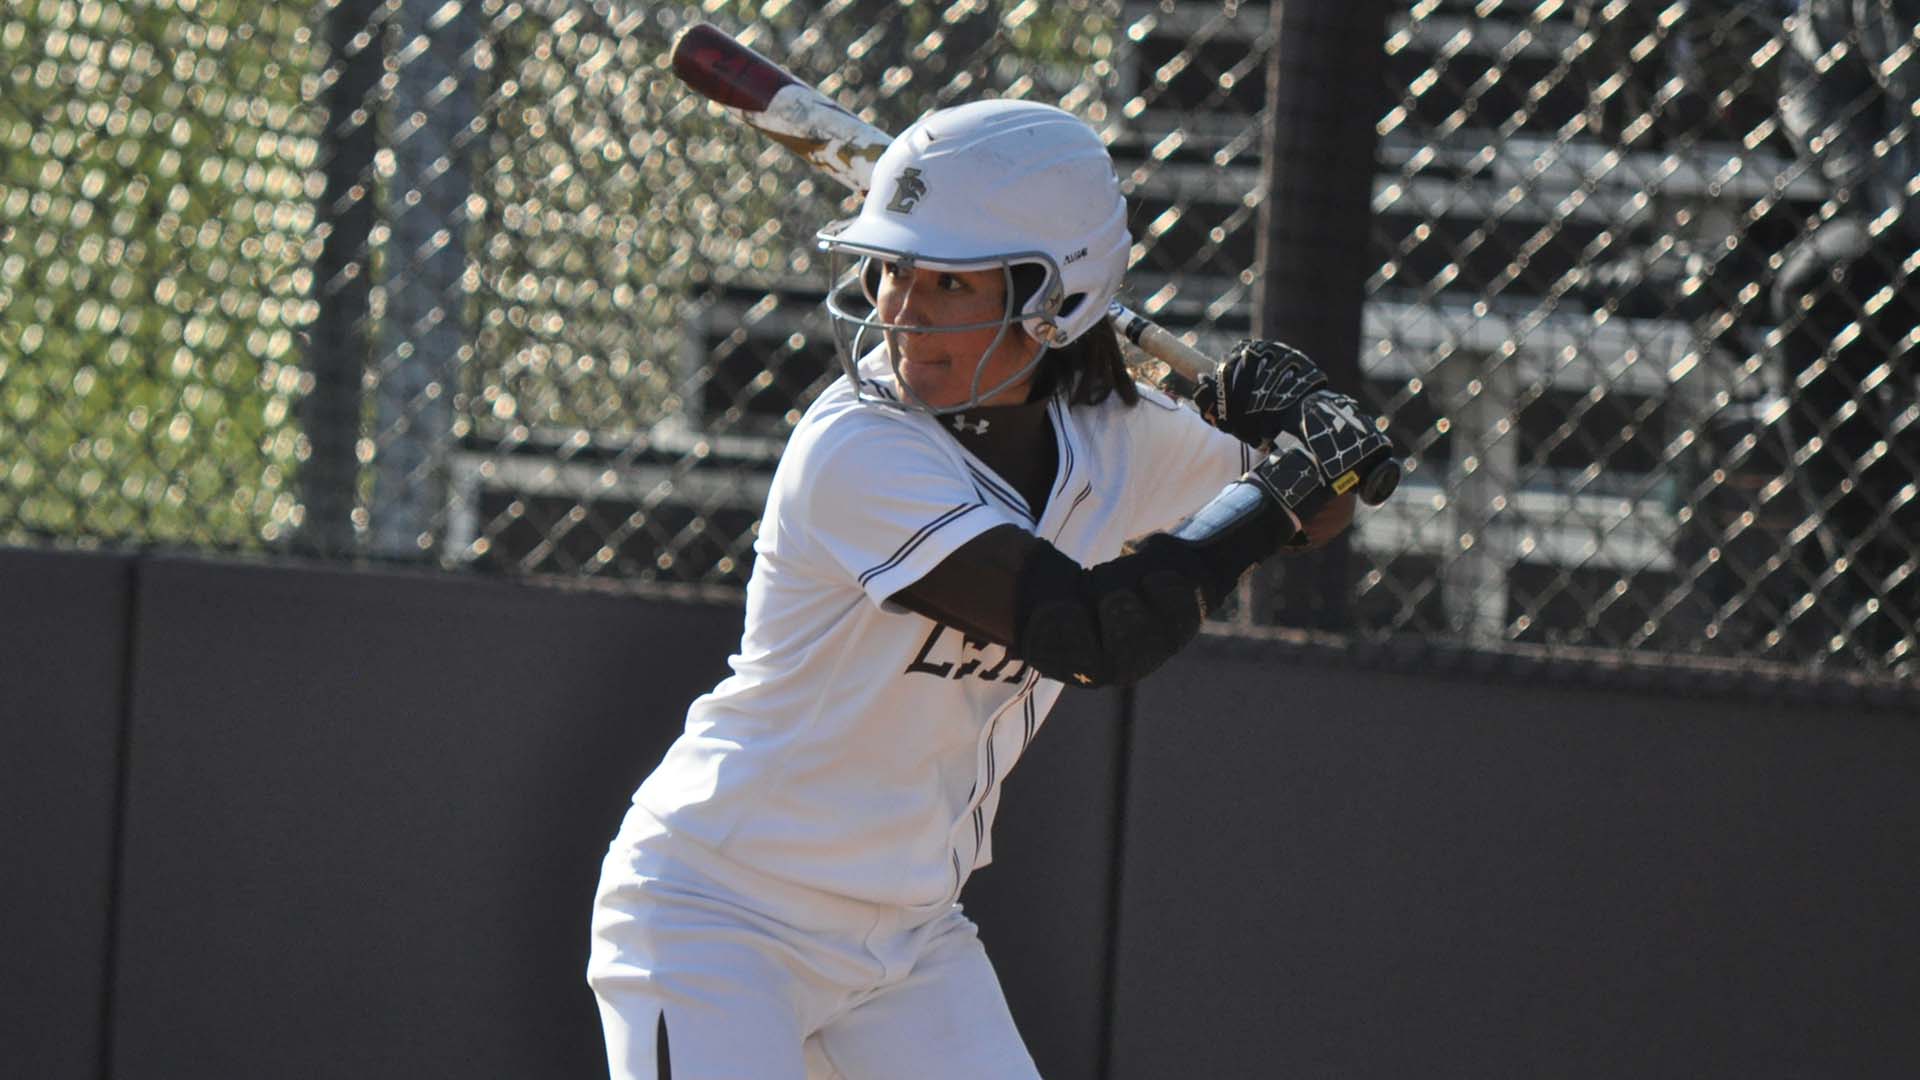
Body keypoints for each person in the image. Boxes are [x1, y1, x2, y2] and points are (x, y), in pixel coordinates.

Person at [587, 99, 1392, 1079]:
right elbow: (1092, 632)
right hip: (718, 915)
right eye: (891, 269)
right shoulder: (859, 445)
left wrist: (1319, 439)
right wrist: (1279, 489)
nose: (900, 311)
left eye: (947, 281)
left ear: (1051, 297)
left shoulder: (1118, 433)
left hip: (909, 940)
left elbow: (1317, 510)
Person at [1768, 0, 1920, 668]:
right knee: (1811, 284)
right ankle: (1875, 596)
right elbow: (1808, 84)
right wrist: (1877, 188)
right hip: (1896, 224)